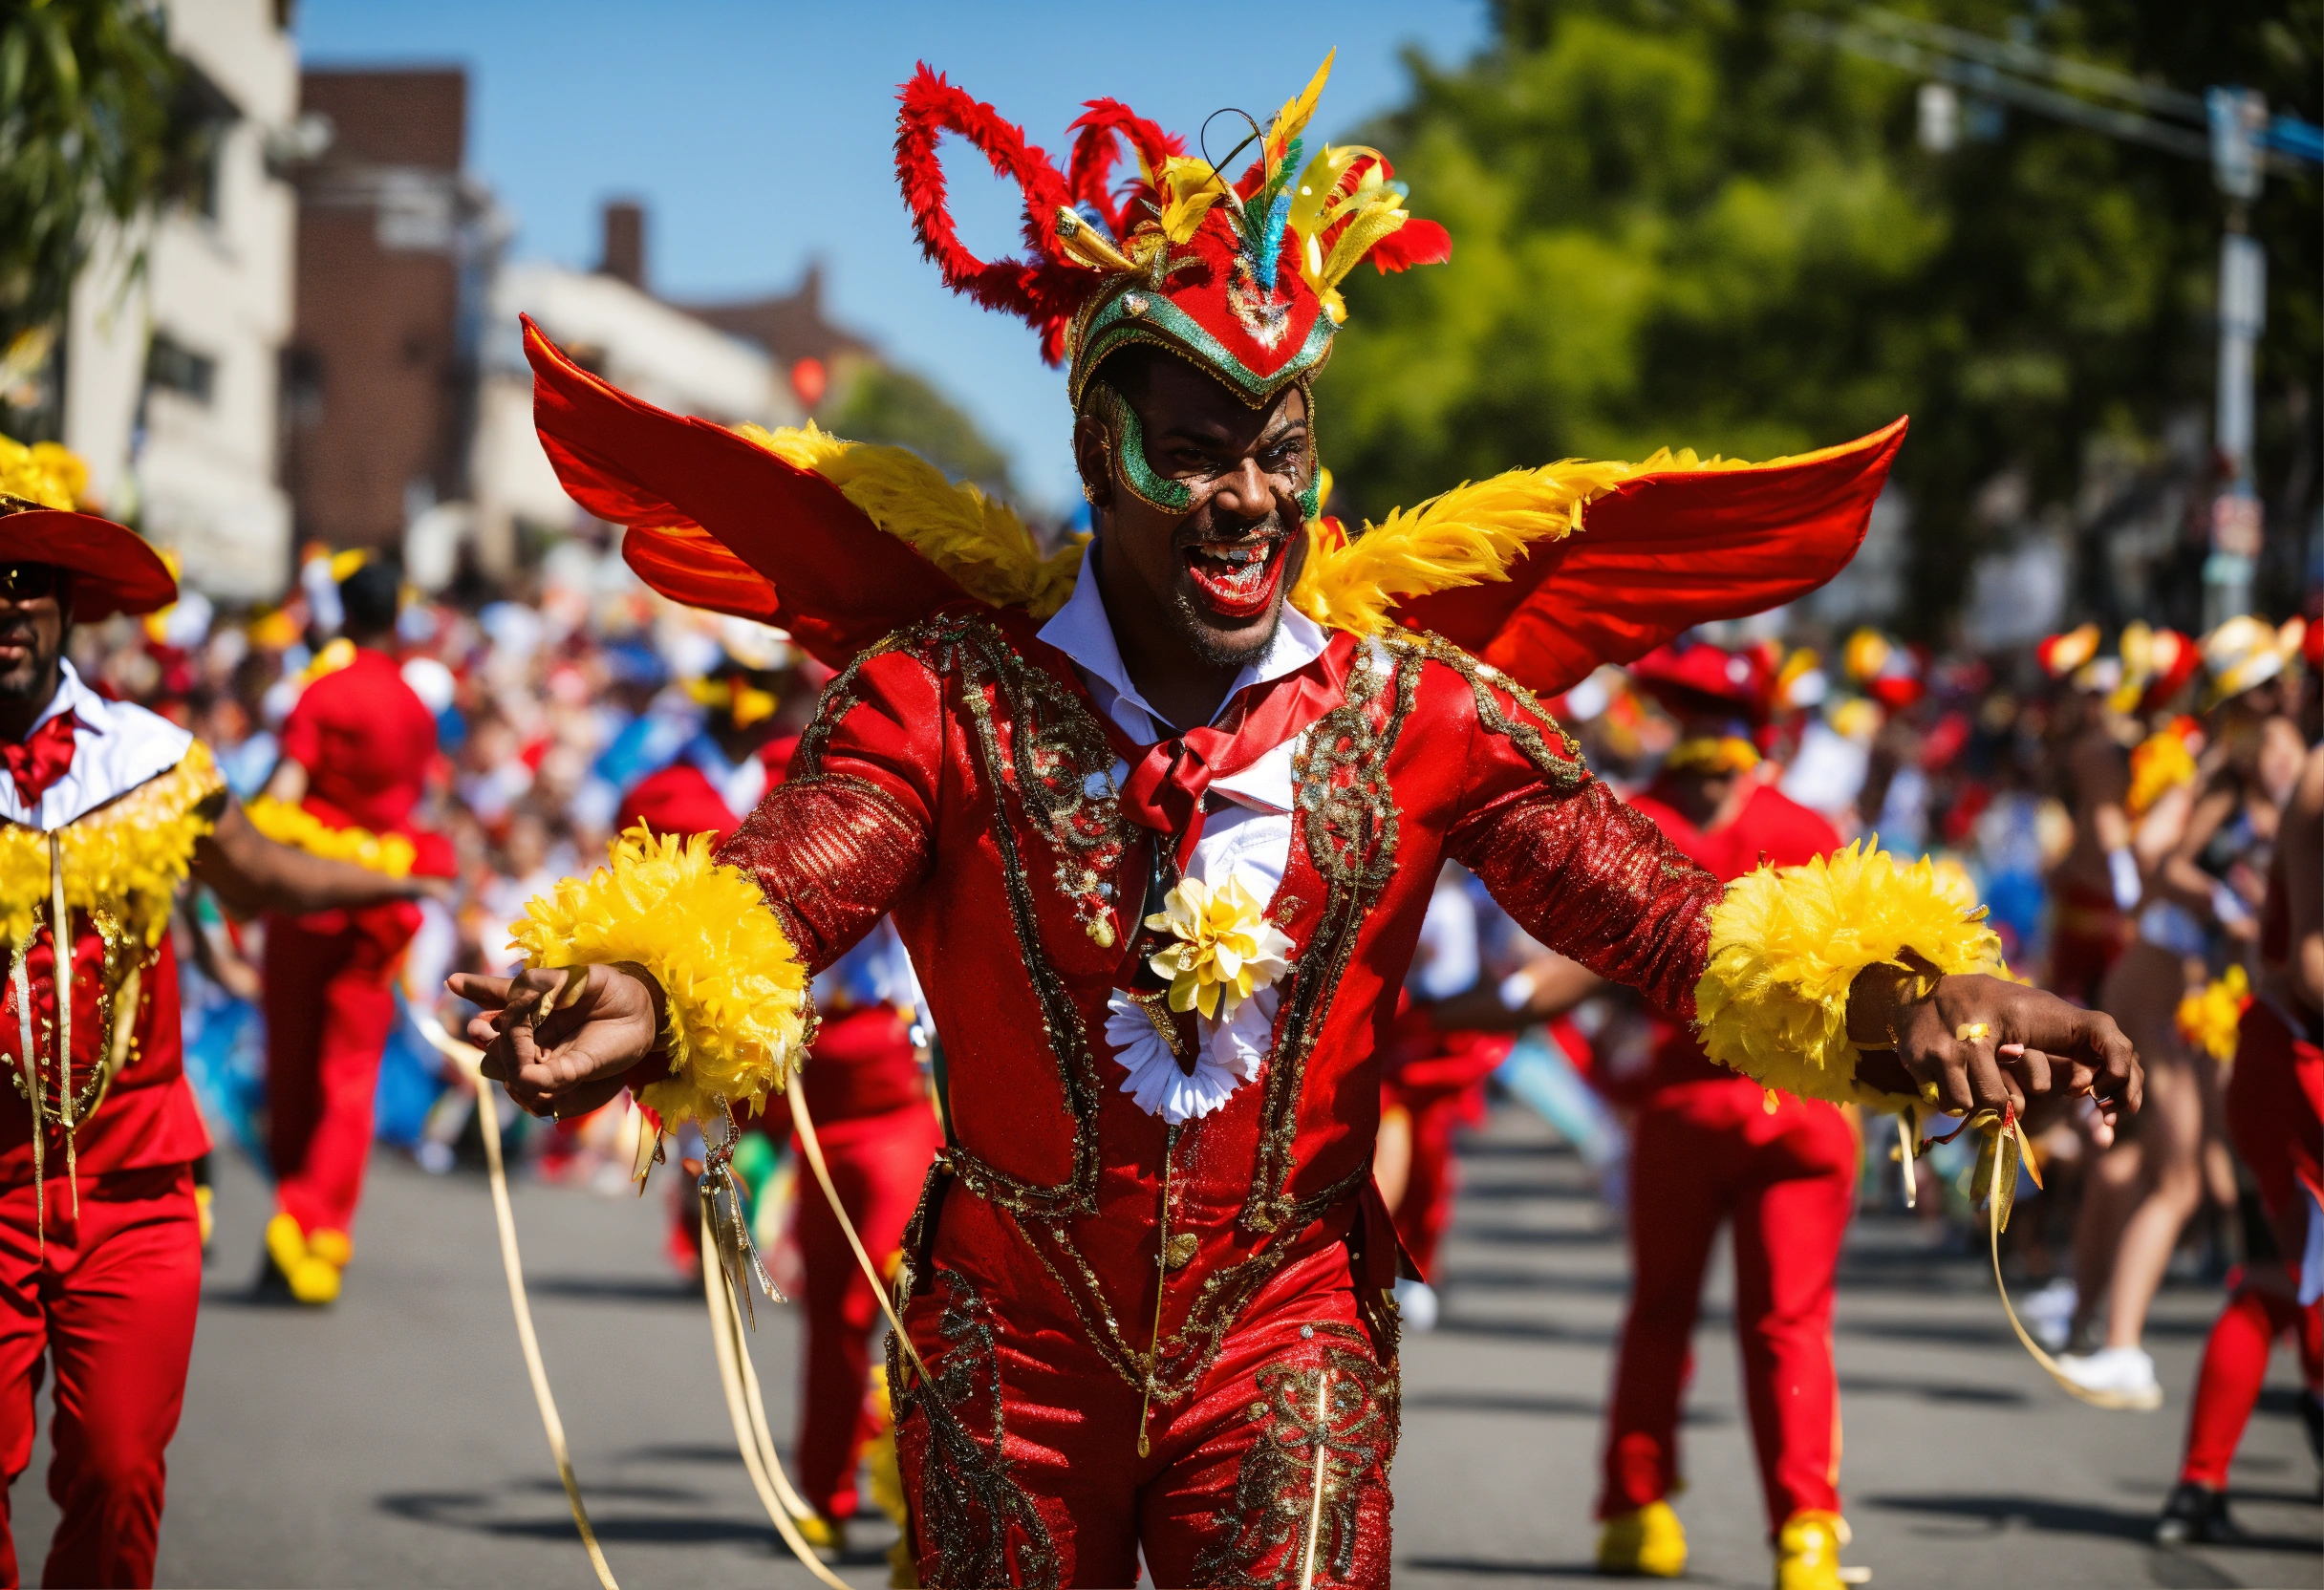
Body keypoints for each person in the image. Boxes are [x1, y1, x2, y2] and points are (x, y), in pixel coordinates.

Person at [451, 60, 2139, 1588]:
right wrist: (651, 987)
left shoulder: (1422, 712)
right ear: (1101, 455)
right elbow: (795, 872)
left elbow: (1662, 913)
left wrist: (1906, 996)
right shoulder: (943, 691)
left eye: (1275, 449)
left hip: (1293, 1340)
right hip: (1005, 1348)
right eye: (1193, 451)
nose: (1247, 496)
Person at [0, 438, 438, 1586]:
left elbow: (263, 873)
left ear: (68, 605)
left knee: (120, 1466)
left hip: (133, 1184)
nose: (4, 608)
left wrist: (397, 880)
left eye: (27, 582)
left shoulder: (151, 756)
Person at [618, 661, 940, 1554]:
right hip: (786, 1069)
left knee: (907, 1284)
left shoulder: (923, 775)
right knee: (838, 1302)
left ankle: (926, 1490)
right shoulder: (754, 797)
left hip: (889, 1077)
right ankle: (829, 1488)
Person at [2060, 617, 2306, 1405]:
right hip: (2171, 982)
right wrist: (2236, 900)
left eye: (2277, 686)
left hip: (2207, 988)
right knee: (2172, 1177)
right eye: (2258, 690)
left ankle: (2090, 1321)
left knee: (2142, 1164)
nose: (2277, 700)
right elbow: (2157, 858)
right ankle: (2118, 1343)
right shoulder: (2228, 768)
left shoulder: (2263, 763)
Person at [247, 557, 456, 1305]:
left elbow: (284, 796)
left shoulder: (323, 693)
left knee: (294, 1065)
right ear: (395, 617)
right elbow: (417, 809)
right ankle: (322, 1226)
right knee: (351, 1075)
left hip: (310, 899)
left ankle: (294, 1212)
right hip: (383, 903)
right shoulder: (414, 707)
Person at [2156, 731, 2323, 1541]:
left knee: (2290, 1275)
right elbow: (2312, 961)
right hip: (2286, 1051)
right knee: (2288, 1269)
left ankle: (2200, 1486)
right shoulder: (2297, 786)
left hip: (2274, 1048)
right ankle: (2199, 1482)